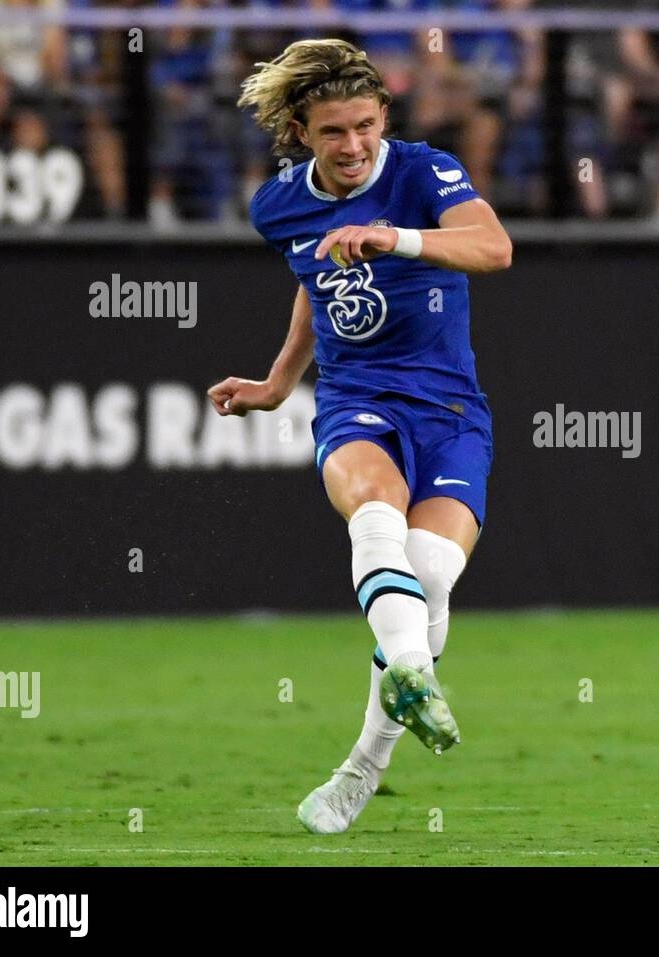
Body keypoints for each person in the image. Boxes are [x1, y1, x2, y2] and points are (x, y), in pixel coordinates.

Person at [210, 37, 512, 834]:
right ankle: (413, 675)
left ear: (385, 119)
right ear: (301, 131)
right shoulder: (277, 205)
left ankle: (361, 768)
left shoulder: (423, 172)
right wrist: (280, 382)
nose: (353, 146)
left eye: (366, 126)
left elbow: (493, 247)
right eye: (334, 131)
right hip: (356, 400)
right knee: (374, 506)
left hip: (450, 411)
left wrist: (396, 237)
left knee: (430, 579)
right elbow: (316, 282)